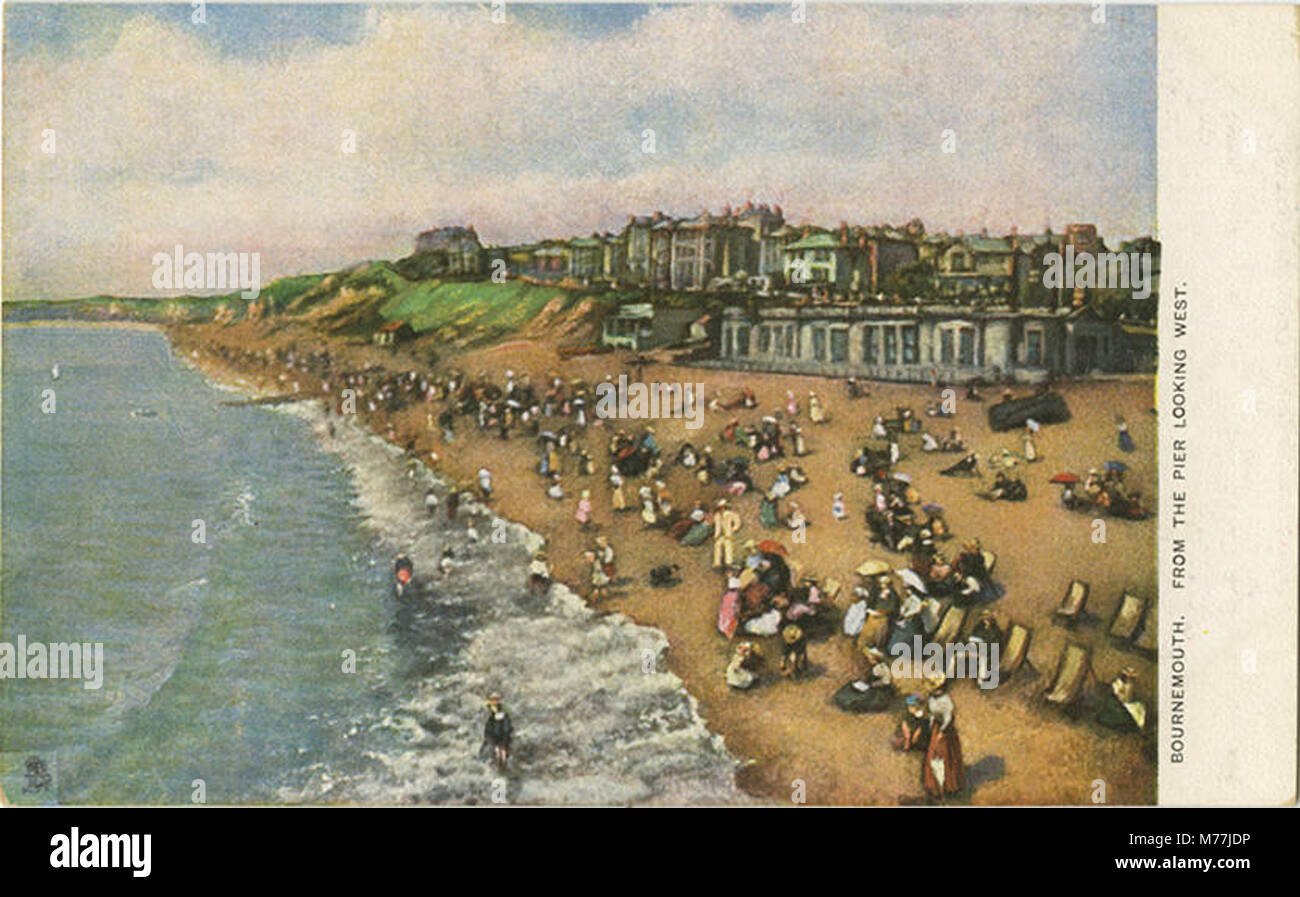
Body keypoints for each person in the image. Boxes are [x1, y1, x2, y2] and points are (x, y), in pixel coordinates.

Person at [923, 674, 964, 800]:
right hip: (936, 727)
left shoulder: (946, 700)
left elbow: (948, 718)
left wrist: (942, 731)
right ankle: (934, 786)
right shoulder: (931, 698)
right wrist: (931, 725)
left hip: (945, 731)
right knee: (933, 756)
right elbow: (931, 714)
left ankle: (949, 786)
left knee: (945, 756)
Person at [833, 646, 895, 713]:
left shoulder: (882, 668)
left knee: (860, 698)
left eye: (869, 658)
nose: (868, 660)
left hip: (880, 691)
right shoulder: (875, 667)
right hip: (872, 687)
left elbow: (886, 682)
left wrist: (873, 684)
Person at [1096, 667, 1146, 733]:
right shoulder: (1119, 681)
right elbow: (1114, 688)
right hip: (1117, 700)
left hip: (1126, 703)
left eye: (1129, 677)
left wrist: (1119, 695)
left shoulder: (1130, 686)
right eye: (1126, 676)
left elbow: (1127, 699)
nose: (1127, 678)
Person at [481, 694, 513, 770]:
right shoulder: (492, 710)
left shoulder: (502, 711)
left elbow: (506, 726)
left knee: (501, 749)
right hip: (496, 734)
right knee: (498, 749)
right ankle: (500, 763)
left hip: (500, 734)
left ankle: (502, 763)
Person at [712, 499, 741, 568]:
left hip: (727, 533)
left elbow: (737, 521)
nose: (721, 509)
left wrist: (733, 529)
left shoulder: (730, 514)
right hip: (719, 534)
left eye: (722, 507)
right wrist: (716, 533)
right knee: (717, 547)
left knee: (728, 547)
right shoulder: (717, 515)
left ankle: (729, 562)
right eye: (719, 507)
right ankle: (717, 562)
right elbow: (715, 524)